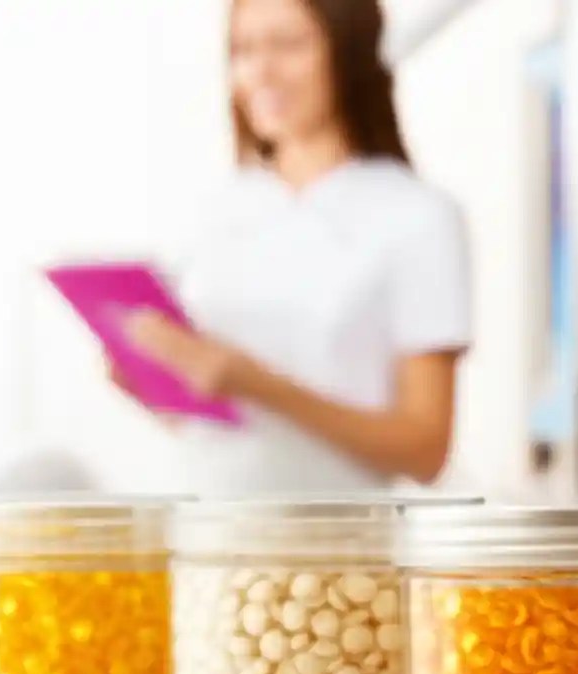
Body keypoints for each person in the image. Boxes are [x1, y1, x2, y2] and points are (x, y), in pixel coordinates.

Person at [118, 0, 471, 495]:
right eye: (243, 49)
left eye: (287, 45)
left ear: (348, 52)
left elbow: (426, 451)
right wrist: (149, 381)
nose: (261, 71)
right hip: (209, 535)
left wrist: (258, 385)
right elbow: (214, 431)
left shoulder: (416, 216)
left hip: (338, 551)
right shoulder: (215, 209)